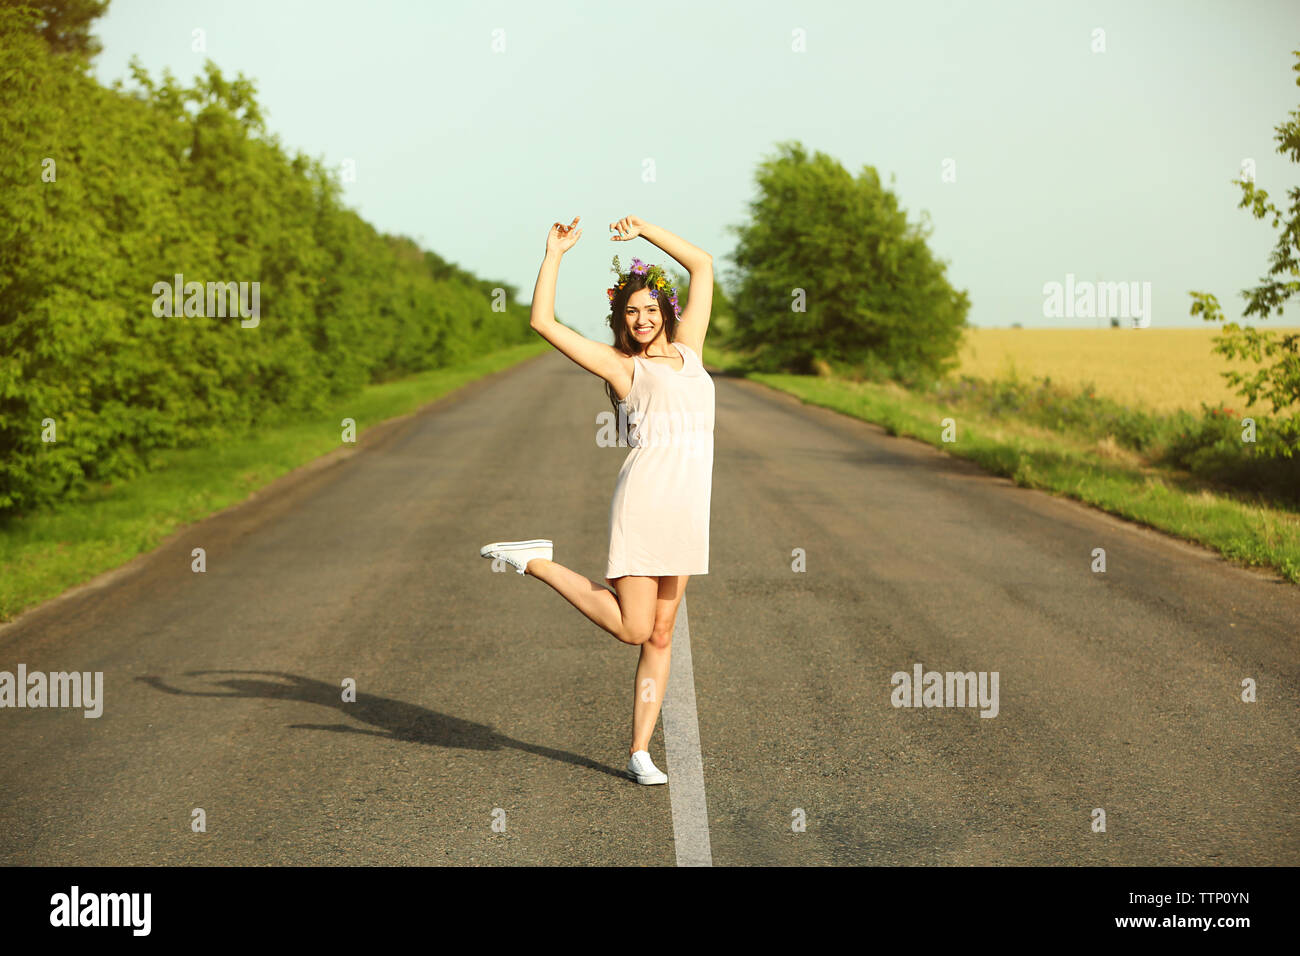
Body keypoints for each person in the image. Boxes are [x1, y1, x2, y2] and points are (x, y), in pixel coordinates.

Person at [480, 214, 715, 786]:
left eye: (650, 309)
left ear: (668, 311)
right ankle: (535, 560)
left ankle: (639, 752)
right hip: (646, 504)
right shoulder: (621, 367)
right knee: (635, 629)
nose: (641, 319)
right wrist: (554, 253)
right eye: (630, 311)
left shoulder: (690, 353)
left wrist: (645, 231)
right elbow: (541, 321)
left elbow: (703, 265)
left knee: (662, 635)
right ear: (621, 318)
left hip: (688, 510)